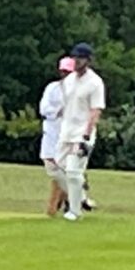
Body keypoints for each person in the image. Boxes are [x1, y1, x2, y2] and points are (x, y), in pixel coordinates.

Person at [57, 42, 106, 223]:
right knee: (56, 168)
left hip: (82, 133)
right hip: (66, 131)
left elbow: (96, 110)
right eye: (75, 57)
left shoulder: (95, 82)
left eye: (80, 58)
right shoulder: (69, 80)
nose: (76, 61)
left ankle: (75, 211)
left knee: (73, 171)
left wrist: (86, 135)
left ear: (88, 60)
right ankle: (82, 196)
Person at [39, 56, 73, 216]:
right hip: (51, 132)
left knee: (64, 169)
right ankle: (69, 198)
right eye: (63, 71)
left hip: (69, 134)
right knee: (51, 165)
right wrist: (57, 111)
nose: (65, 75)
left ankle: (55, 206)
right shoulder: (52, 88)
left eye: (68, 72)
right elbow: (43, 109)